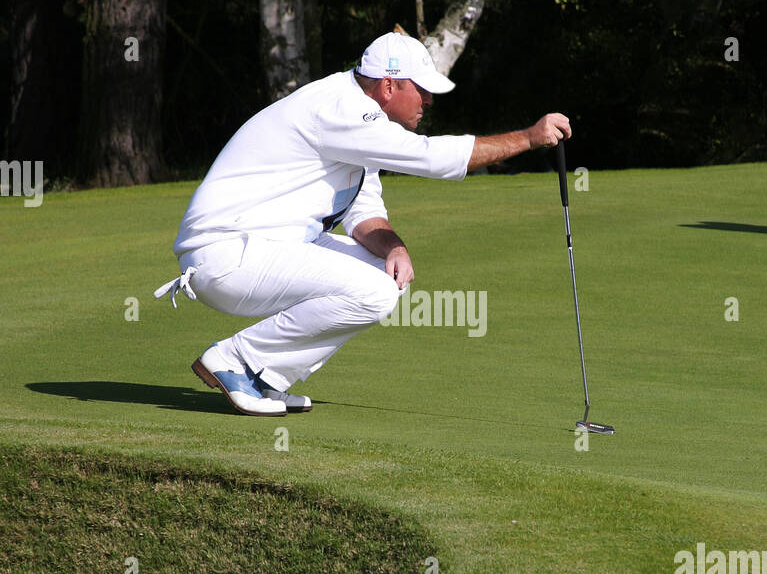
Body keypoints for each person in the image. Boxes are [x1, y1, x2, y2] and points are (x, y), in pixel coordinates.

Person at [154, 32, 571, 415]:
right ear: (389, 87)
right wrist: (528, 138)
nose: (428, 102)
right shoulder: (342, 110)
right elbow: (430, 158)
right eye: (421, 91)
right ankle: (235, 359)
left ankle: (263, 377)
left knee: (383, 278)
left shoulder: (361, 121)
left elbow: (362, 212)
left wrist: (394, 247)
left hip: (264, 247)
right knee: (371, 292)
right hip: (225, 255)